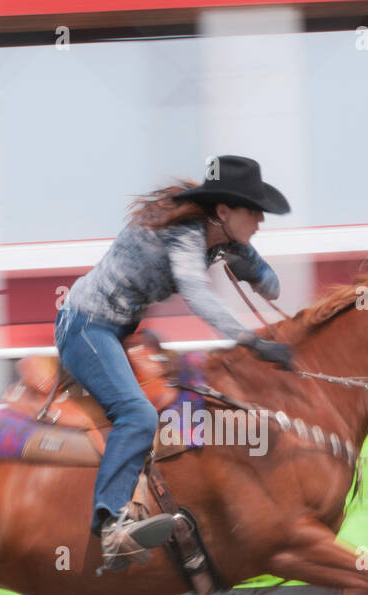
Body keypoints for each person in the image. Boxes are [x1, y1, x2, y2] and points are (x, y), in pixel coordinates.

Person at [55, 155, 294, 571]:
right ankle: (112, 527)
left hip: (115, 330)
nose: (260, 219)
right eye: (253, 211)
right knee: (138, 416)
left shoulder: (223, 237)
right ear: (223, 211)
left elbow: (270, 283)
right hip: (86, 328)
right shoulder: (184, 234)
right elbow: (198, 296)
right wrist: (250, 340)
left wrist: (255, 270)